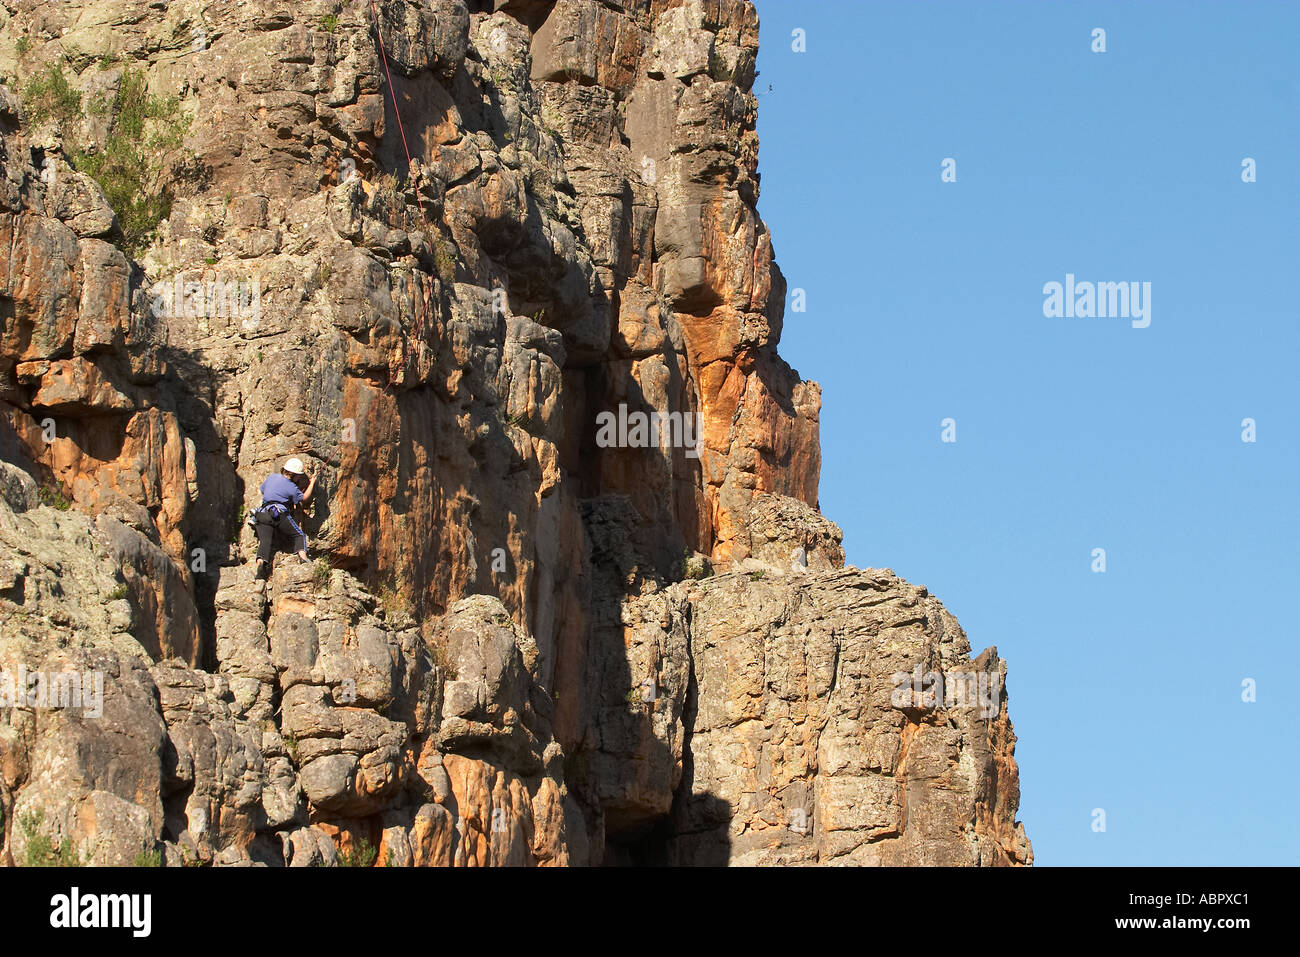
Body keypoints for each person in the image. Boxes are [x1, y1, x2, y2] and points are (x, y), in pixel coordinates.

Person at [251, 457, 316, 579]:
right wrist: (312, 483)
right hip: (278, 513)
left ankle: (260, 566)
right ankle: (303, 559)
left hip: (262, 513)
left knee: (265, 542)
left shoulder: (272, 477)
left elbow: (263, 490)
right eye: (298, 476)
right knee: (299, 535)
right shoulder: (292, 487)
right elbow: (304, 498)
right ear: (294, 475)